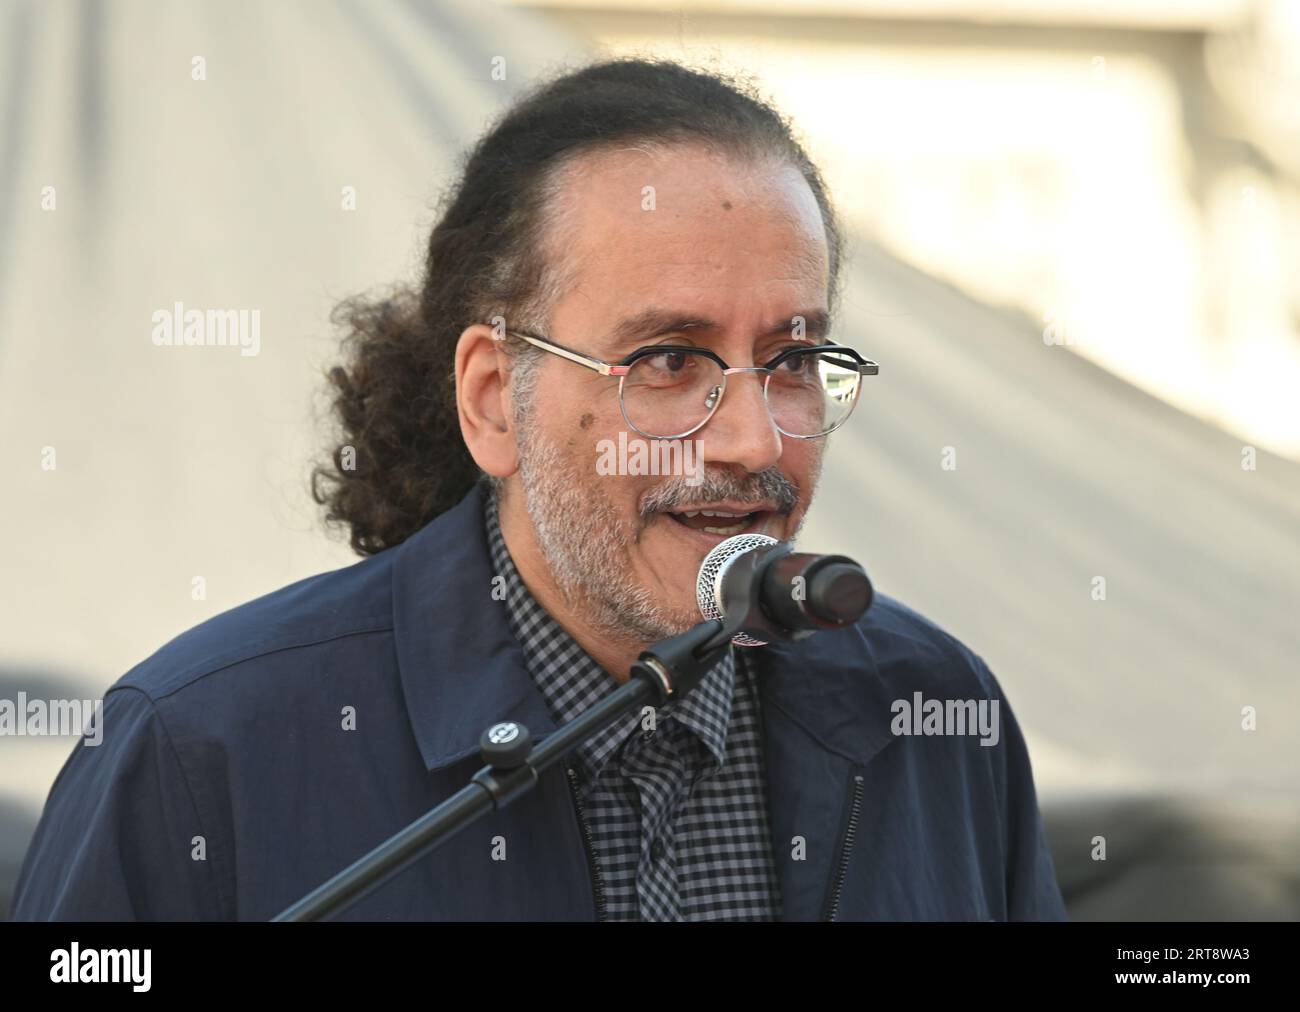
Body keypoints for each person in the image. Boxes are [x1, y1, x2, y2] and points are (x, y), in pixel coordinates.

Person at [11, 58, 1066, 921]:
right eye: (667, 361)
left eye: (789, 359)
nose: (753, 440)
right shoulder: (201, 749)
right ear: (490, 399)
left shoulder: (934, 713)